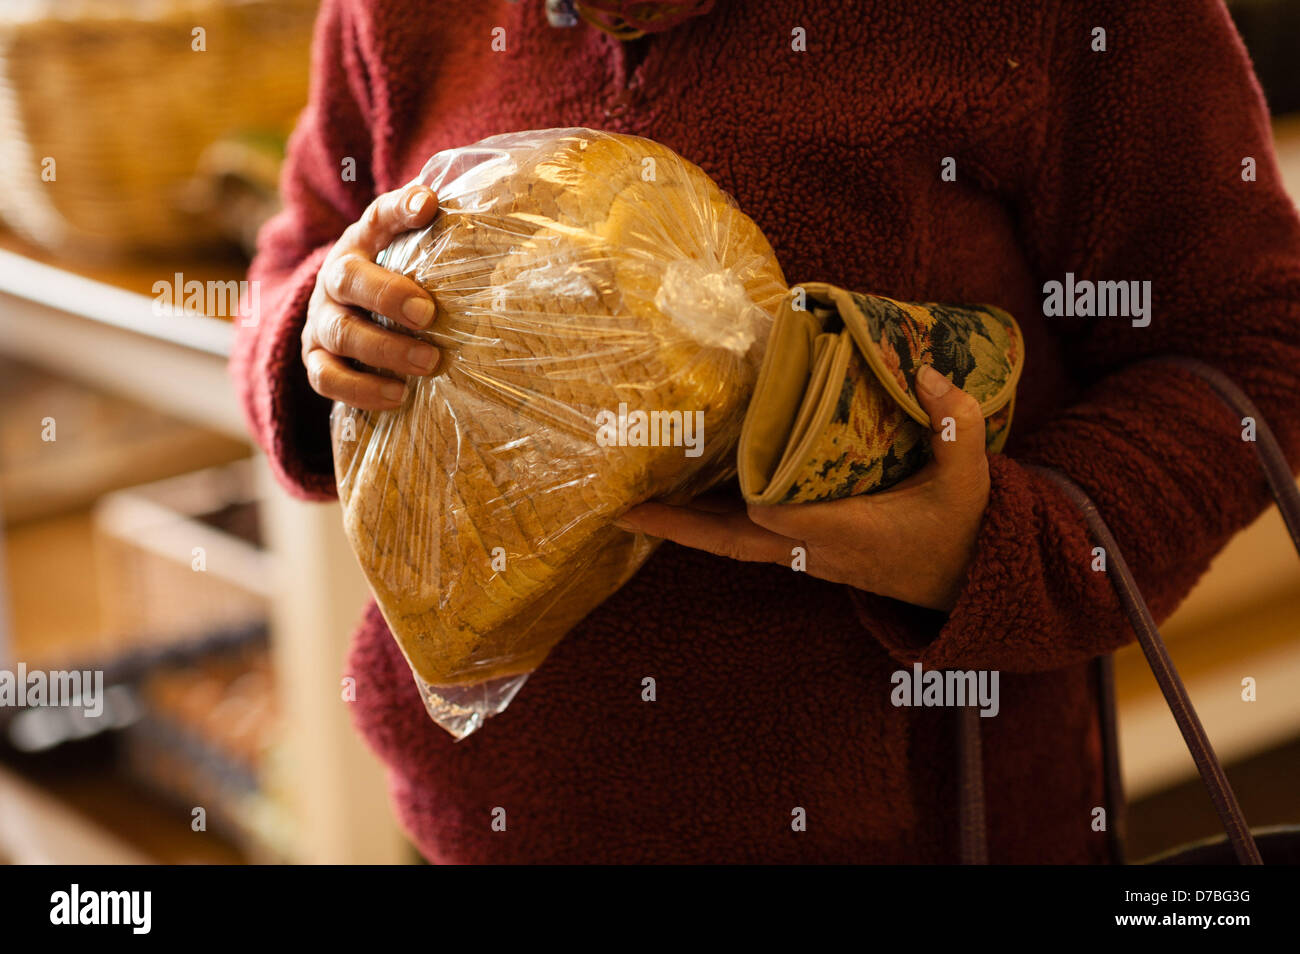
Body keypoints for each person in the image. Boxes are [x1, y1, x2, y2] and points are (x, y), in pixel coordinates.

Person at [232, 0, 1300, 863]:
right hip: (472, 822)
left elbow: (1257, 348)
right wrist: (318, 330)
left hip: (916, 832)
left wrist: (987, 551)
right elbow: (300, 250)